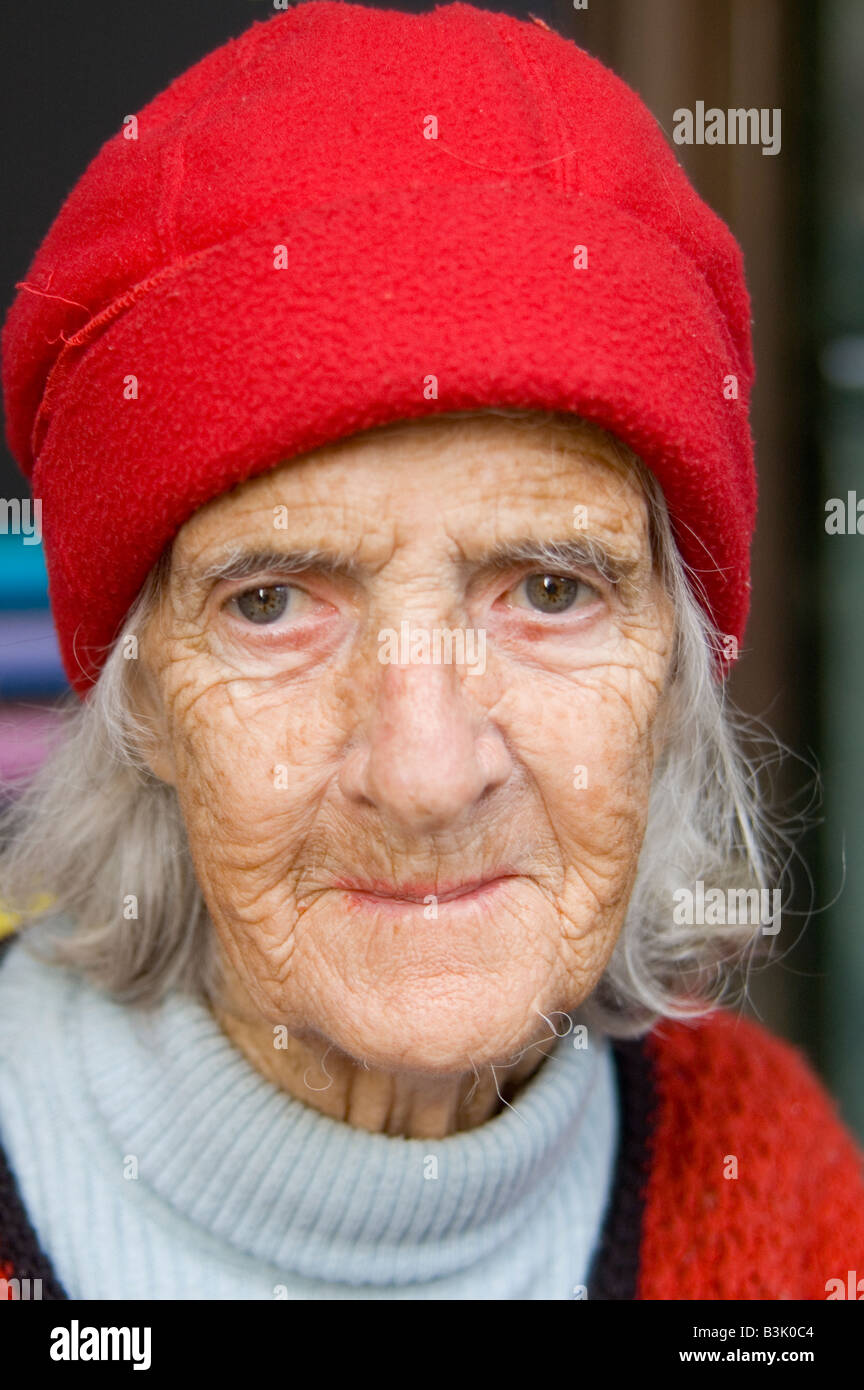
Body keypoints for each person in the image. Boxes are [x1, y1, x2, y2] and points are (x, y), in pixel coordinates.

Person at [1, 1, 862, 1302]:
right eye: (276, 601)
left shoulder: (773, 1187)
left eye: (554, 588)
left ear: (673, 678)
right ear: (145, 701)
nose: (425, 772)